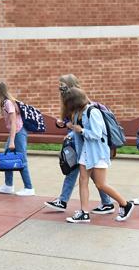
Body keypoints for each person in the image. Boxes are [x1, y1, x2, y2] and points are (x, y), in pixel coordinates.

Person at [45, 74, 115, 214]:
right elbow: (72, 122)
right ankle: (104, 203)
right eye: (59, 85)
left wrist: (73, 130)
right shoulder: (69, 101)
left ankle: (116, 203)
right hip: (80, 143)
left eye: (62, 85)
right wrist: (64, 124)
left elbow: (84, 126)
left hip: (87, 145)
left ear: (70, 86)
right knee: (80, 173)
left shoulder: (80, 102)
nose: (60, 88)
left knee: (89, 176)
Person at [62, 87, 134, 223]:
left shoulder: (93, 112)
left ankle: (125, 204)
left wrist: (81, 130)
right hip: (86, 151)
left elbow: (97, 134)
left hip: (98, 152)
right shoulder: (78, 113)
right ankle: (84, 212)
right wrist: (72, 128)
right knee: (83, 180)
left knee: (101, 184)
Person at [0, 82, 35, 196]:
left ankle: (29, 187)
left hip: (18, 132)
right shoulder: (8, 102)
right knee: (6, 157)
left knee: (22, 159)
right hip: (16, 132)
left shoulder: (8, 104)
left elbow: (13, 124)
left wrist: (11, 141)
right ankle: (8, 185)